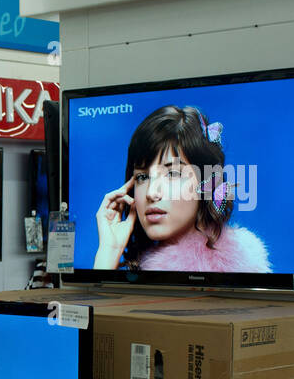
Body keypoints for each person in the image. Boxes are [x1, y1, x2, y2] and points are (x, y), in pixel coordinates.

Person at [92, 106, 271, 273]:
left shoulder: (240, 269)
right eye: (143, 177)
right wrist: (109, 250)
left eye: (172, 174)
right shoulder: (144, 270)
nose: (151, 193)